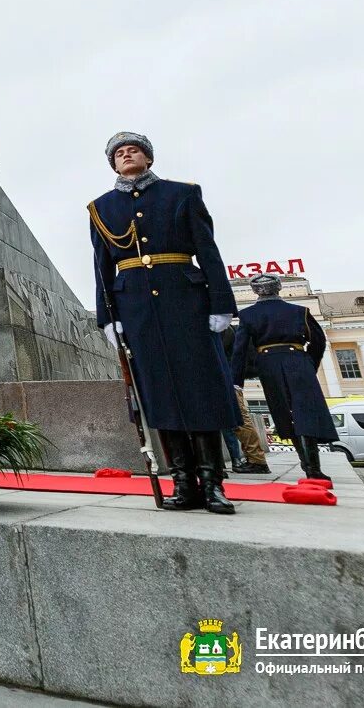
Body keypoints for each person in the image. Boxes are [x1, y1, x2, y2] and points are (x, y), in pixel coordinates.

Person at [89, 132, 240, 515]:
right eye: (119, 154)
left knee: (198, 390)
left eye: (133, 150)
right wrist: (108, 316)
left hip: (185, 301)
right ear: (113, 165)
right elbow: (102, 267)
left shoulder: (182, 194)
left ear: (148, 158)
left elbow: (207, 250)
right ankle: (183, 482)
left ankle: (213, 482)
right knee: (158, 393)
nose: (126, 155)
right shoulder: (100, 208)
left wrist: (221, 304)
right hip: (136, 308)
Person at [235, 274, 335, 483]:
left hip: (268, 364)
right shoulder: (300, 312)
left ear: (255, 292)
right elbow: (318, 340)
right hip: (298, 360)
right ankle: (312, 467)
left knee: (284, 413)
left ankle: (306, 463)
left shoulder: (247, 315)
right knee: (305, 411)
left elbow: (240, 350)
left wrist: (237, 381)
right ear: (279, 288)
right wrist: (310, 364)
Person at [219, 325, 272, 474]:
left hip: (224, 380)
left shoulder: (221, 329)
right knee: (238, 420)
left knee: (240, 420)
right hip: (229, 379)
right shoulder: (225, 328)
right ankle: (254, 459)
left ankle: (256, 460)